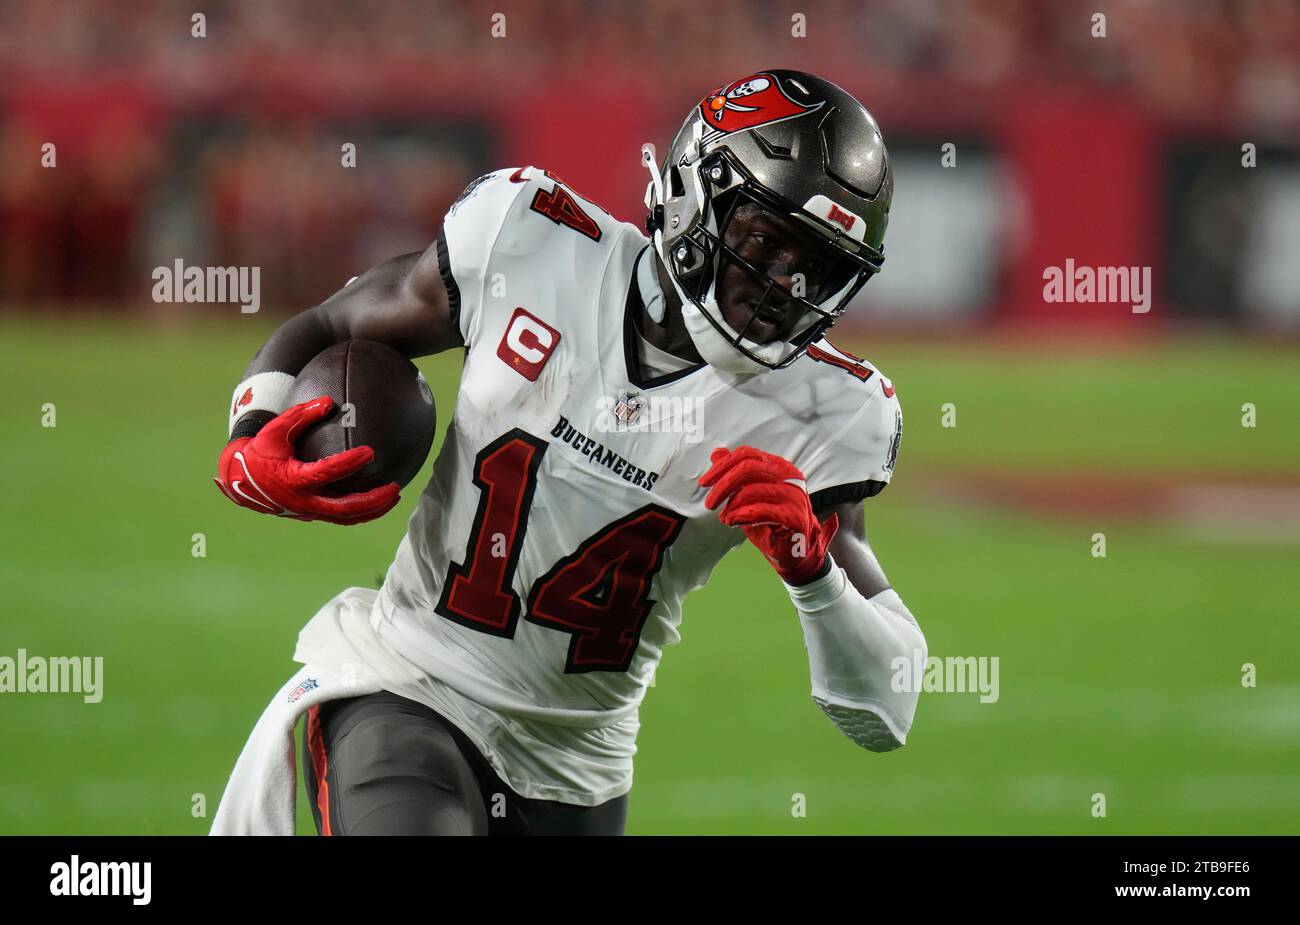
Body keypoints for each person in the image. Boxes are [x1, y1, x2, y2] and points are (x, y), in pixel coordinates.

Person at [211, 69, 925, 836]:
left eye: (814, 268)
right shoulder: (530, 238)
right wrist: (252, 437)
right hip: (410, 679)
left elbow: (884, 709)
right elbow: (329, 323)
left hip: (577, 768)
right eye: (764, 242)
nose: (783, 286)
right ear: (695, 195)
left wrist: (814, 576)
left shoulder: (829, 409)